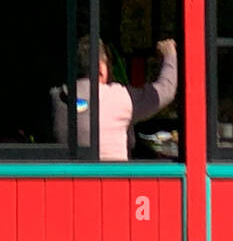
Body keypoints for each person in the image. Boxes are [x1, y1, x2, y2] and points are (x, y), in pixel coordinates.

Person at [51, 36, 179, 160]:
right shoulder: (118, 97)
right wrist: (169, 54)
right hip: (111, 179)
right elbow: (165, 91)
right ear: (101, 68)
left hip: (70, 178)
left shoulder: (56, 97)